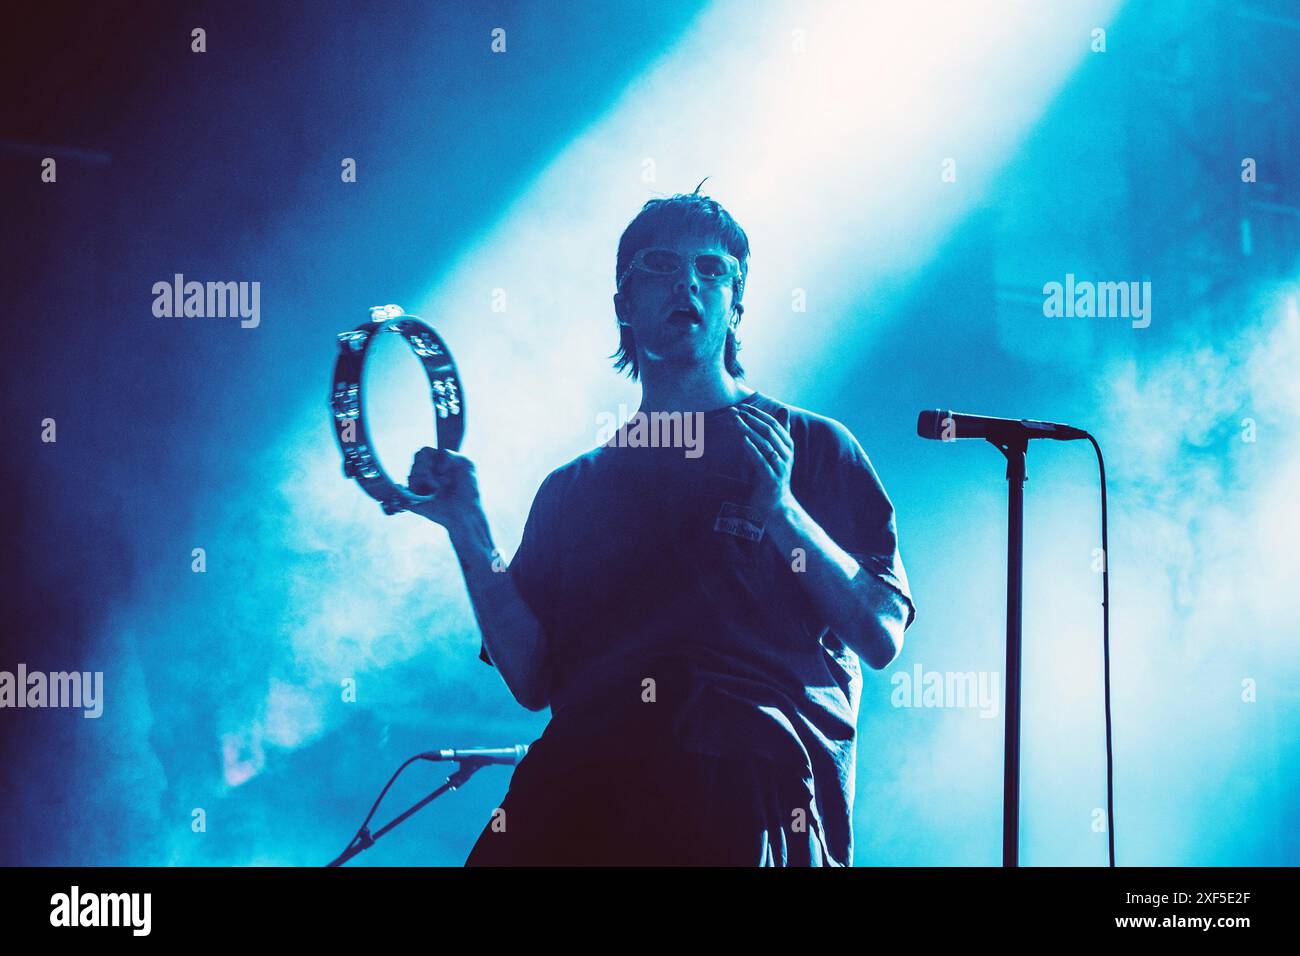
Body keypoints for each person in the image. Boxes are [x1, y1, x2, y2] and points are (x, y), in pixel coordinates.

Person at [407, 188, 916, 865]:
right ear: (624, 302)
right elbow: (531, 678)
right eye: (662, 265)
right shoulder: (573, 490)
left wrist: (783, 512)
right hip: (583, 785)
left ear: (737, 306)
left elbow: (879, 633)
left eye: (713, 270)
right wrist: (468, 530)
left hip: (741, 778)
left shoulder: (814, 446)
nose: (688, 283)